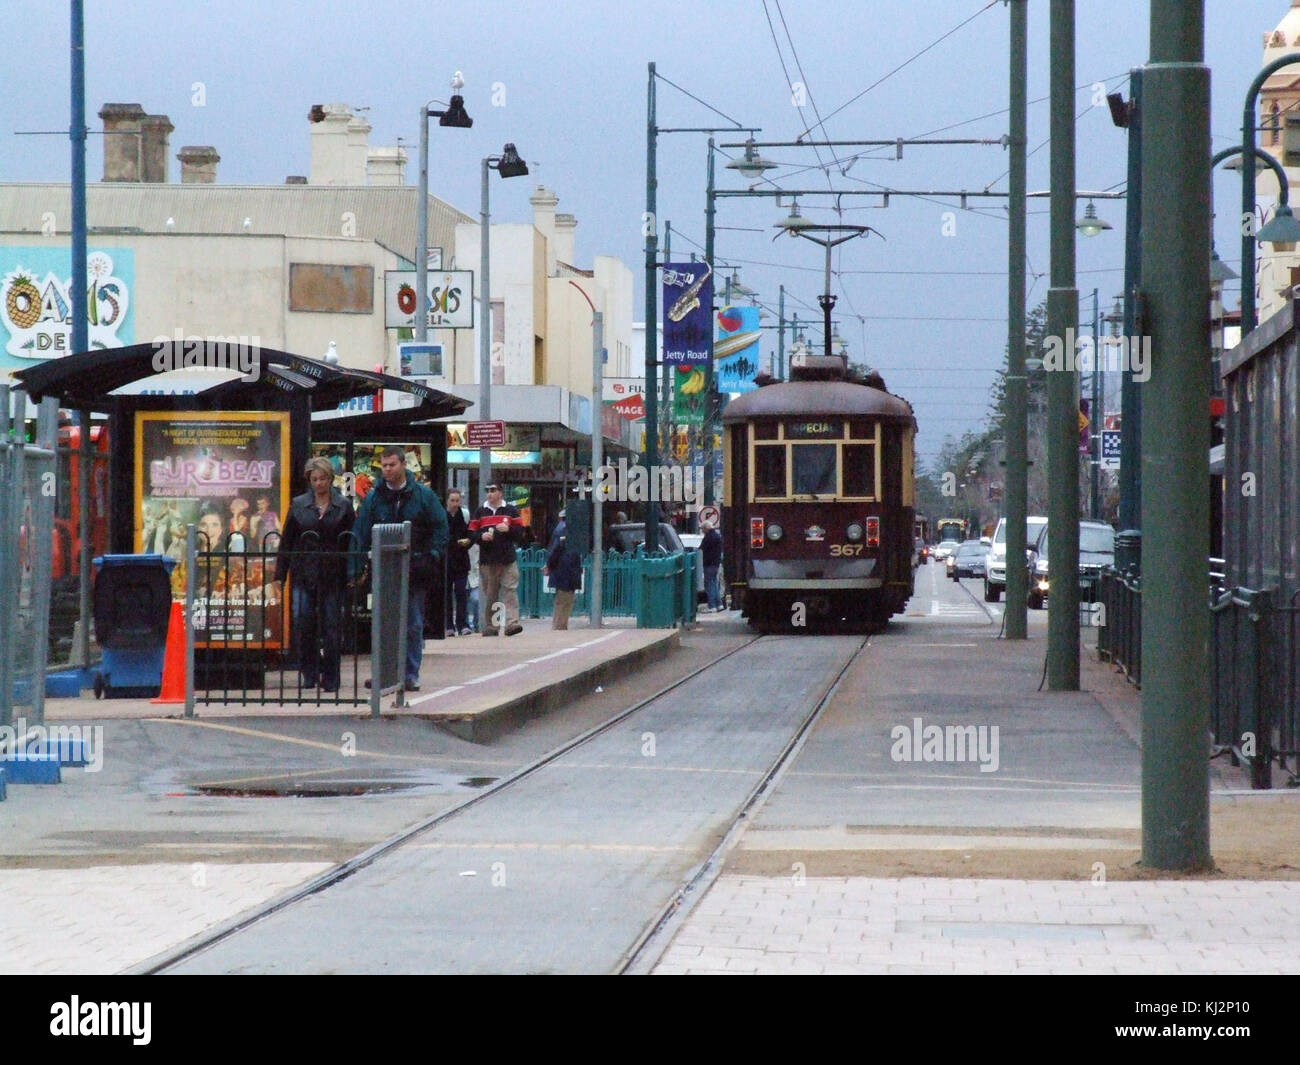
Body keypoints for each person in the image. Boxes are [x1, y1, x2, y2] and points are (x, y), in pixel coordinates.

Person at [353, 445, 448, 691]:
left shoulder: (423, 496)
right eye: (383, 466)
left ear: (403, 465)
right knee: (382, 622)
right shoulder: (374, 497)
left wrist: (432, 555)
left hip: (415, 567)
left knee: (412, 622)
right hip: (383, 567)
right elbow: (361, 531)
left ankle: (409, 674)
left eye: (391, 465)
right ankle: (384, 673)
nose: (387, 470)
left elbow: (441, 527)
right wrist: (357, 563)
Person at [274, 457, 355, 692]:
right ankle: (309, 671)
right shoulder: (299, 504)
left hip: (333, 573)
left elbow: (352, 540)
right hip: (304, 571)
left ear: (330, 479)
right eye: (314, 479)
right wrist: (280, 574)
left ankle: (331, 676)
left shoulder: (343, 505)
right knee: (302, 621)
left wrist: (353, 571)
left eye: (322, 479)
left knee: (332, 626)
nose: (318, 483)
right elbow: (287, 540)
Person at [469, 482, 524, 636]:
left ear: (500, 493)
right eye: (487, 491)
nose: (489, 494)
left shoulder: (511, 510)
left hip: (507, 558)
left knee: (510, 590)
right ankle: (492, 626)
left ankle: (512, 623)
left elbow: (520, 532)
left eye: (493, 490)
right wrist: (481, 536)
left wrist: (509, 529)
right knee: (491, 593)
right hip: (488, 559)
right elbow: (471, 533)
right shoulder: (480, 512)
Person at [543, 509, 582, 630]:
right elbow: (558, 549)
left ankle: (559, 626)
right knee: (566, 600)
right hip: (569, 568)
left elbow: (555, 549)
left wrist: (549, 565)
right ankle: (560, 626)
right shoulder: (569, 529)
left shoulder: (560, 529)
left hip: (563, 568)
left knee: (562, 600)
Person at [445, 490, 472, 635]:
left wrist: (468, 541)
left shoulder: (465, 515)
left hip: (461, 560)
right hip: (447, 560)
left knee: (461, 592)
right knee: (447, 594)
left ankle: (463, 624)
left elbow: (471, 533)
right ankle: (449, 625)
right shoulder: (442, 515)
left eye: (457, 501)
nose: (455, 504)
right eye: (452, 500)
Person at [701, 519, 723, 612]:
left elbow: (702, 548)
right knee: (714, 584)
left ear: (706, 528)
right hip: (716, 563)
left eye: (703, 529)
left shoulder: (708, 537)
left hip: (709, 564)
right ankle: (719, 604)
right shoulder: (717, 536)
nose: (702, 531)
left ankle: (712, 605)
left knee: (709, 585)